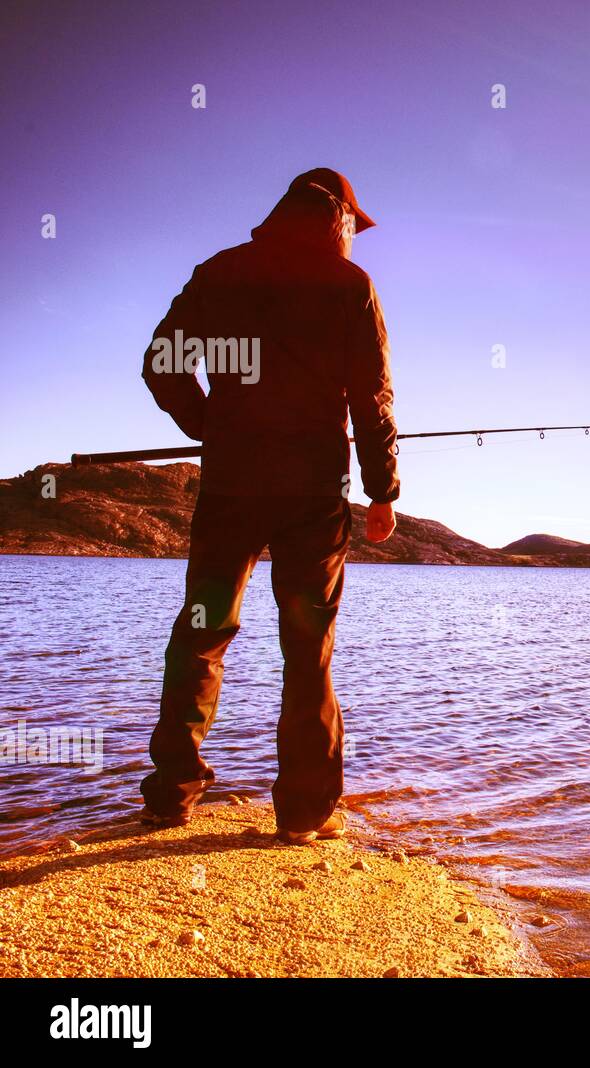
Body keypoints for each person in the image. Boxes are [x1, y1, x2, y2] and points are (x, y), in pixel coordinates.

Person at [138, 168, 399, 844]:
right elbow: (371, 400)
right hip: (312, 491)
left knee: (202, 632)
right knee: (307, 645)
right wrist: (382, 490)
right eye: (352, 223)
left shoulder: (222, 271)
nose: (353, 235)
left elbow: (162, 363)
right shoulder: (350, 287)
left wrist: (208, 426)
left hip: (230, 485)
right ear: (338, 216)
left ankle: (171, 795)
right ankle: (306, 815)